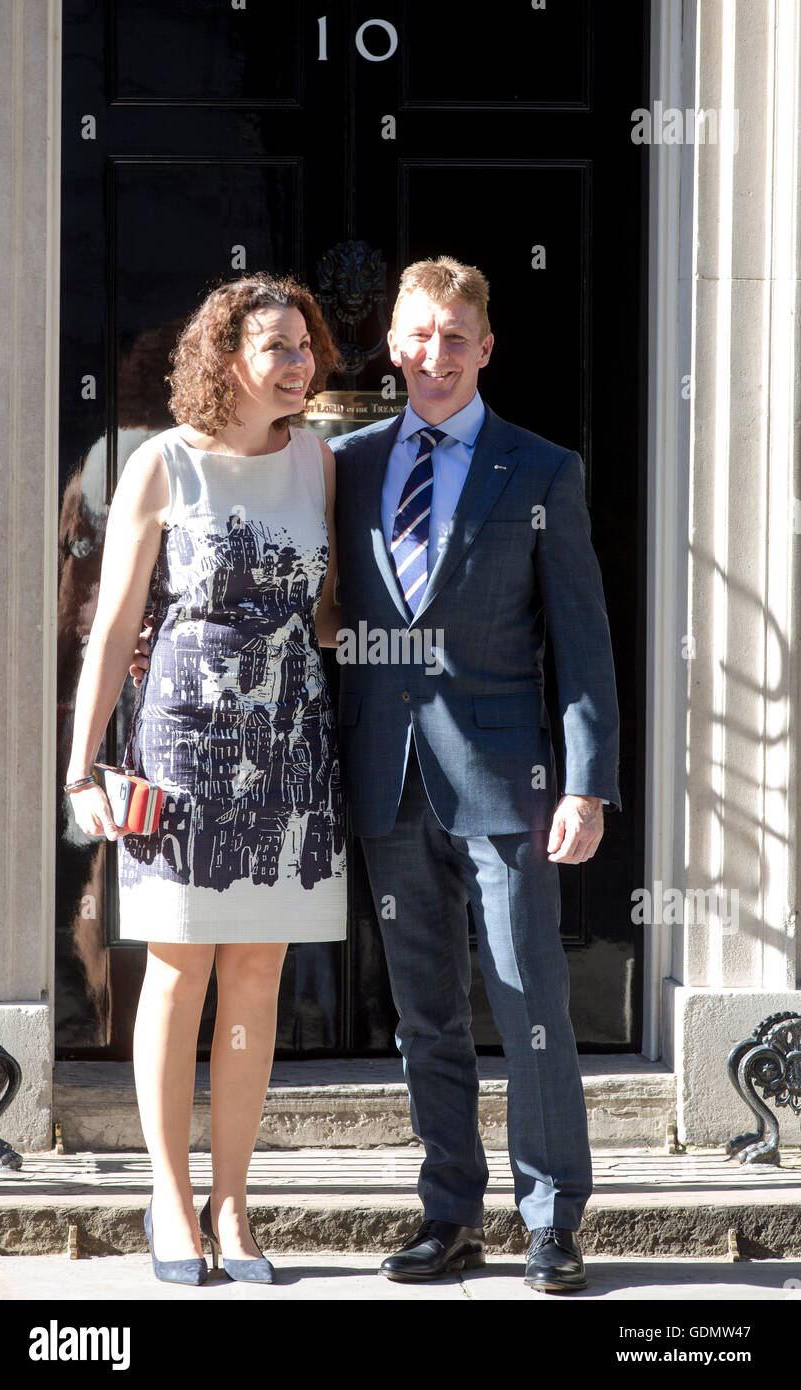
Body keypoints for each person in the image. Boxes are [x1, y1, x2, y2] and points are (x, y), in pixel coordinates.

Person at [330, 256, 621, 1292]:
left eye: (457, 336)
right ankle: (449, 1212)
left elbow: (582, 644)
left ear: (486, 347)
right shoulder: (348, 463)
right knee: (425, 1014)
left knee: (528, 995)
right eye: (420, 334)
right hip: (387, 776)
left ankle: (551, 1218)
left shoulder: (541, 470)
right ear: (394, 344)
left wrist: (586, 783)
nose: (437, 354)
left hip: (509, 783)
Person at [65, 274, 345, 1285]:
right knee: (179, 971)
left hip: (290, 746)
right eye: (279, 346)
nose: (301, 362)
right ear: (227, 357)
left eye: (306, 345)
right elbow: (108, 630)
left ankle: (234, 1203)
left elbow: (323, 618)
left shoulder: (318, 461)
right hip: (183, 749)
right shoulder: (162, 467)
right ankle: (170, 1200)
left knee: (257, 979)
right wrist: (81, 766)